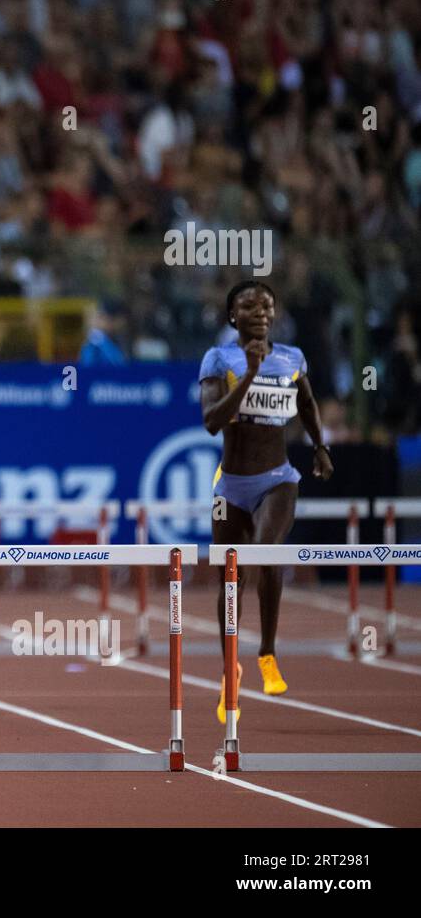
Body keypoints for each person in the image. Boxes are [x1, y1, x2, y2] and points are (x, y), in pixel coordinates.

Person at [200, 280, 333, 723]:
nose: (260, 312)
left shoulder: (292, 358)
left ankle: (268, 653)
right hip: (230, 485)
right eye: (249, 306)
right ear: (232, 316)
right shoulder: (219, 359)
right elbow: (211, 421)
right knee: (230, 579)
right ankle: (229, 669)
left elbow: (308, 402)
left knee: (264, 552)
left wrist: (320, 446)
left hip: (278, 478)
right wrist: (251, 375)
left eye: (267, 305)